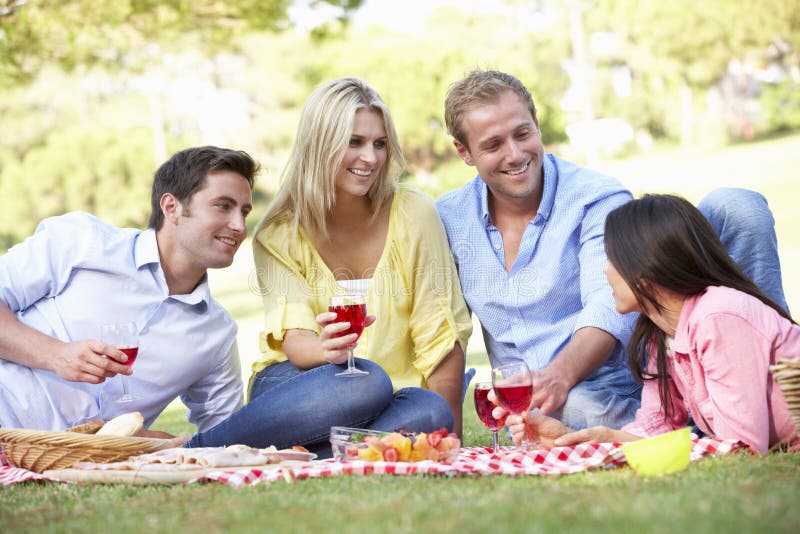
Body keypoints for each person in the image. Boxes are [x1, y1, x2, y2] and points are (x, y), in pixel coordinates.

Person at [435, 69, 790, 431]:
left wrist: (559, 375)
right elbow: (438, 328)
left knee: (737, 208)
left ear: (537, 124)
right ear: (464, 151)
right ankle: (701, 423)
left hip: (628, 371)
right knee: (580, 409)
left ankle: (777, 384)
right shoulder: (447, 219)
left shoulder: (595, 196)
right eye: (493, 145)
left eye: (523, 134)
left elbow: (608, 303)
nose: (514, 154)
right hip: (550, 401)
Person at [185, 77, 472, 456]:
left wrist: (448, 442)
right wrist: (325, 350)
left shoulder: (413, 213)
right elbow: (296, 340)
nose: (371, 158)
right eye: (354, 142)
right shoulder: (279, 232)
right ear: (320, 144)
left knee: (430, 412)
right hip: (301, 385)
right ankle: (200, 447)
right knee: (364, 382)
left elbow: (440, 338)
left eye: (379, 143)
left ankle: (306, 454)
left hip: (390, 396)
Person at [500, 194, 799, 453]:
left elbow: (741, 446)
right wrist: (581, 440)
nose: (605, 271)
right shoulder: (662, 334)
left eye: (612, 259)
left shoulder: (718, 316)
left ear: (645, 269)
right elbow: (656, 426)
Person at [0, 146, 258, 434]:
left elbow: (224, 436)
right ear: (171, 207)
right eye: (223, 206)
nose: (239, 226)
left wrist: (157, 442)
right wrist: (55, 355)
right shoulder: (82, 242)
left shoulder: (217, 335)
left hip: (68, 458)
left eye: (244, 212)